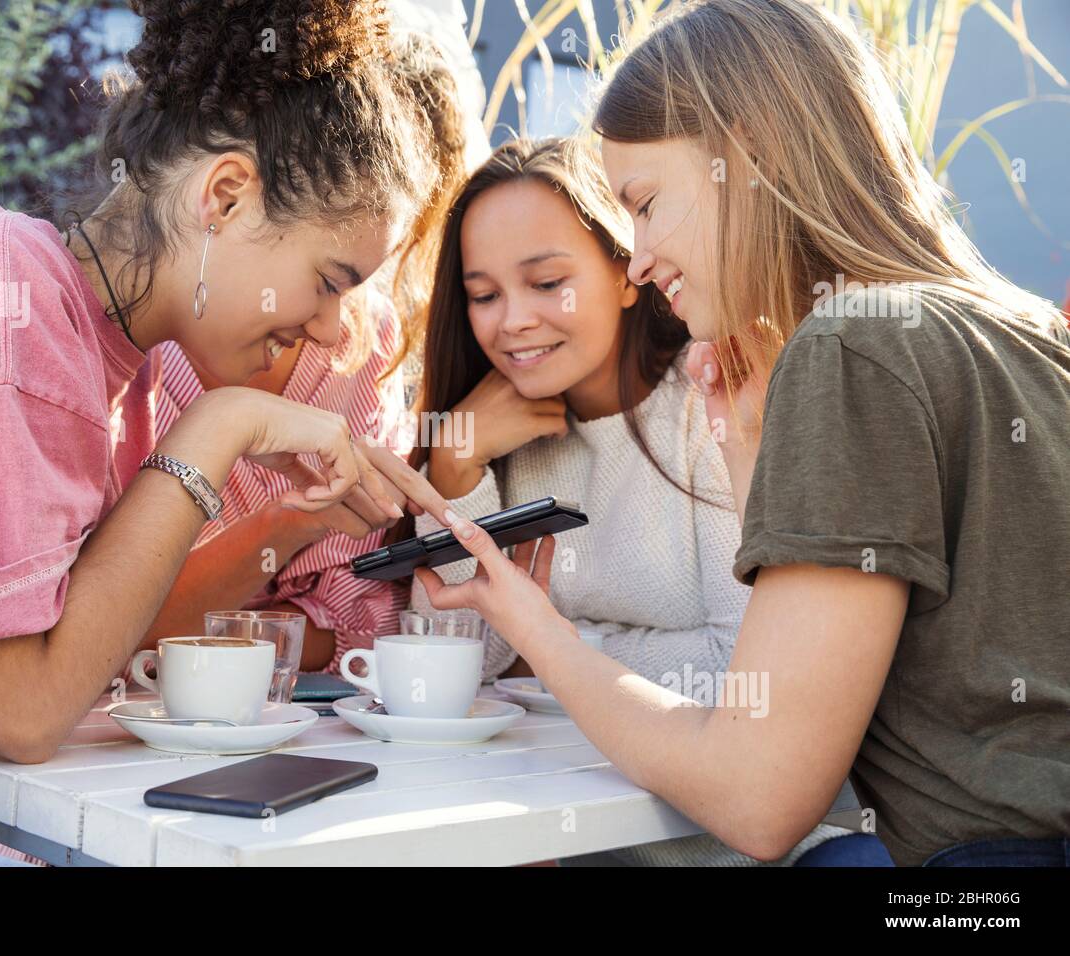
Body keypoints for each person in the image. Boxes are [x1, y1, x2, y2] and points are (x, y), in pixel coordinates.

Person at [0, 0, 453, 841]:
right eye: (331, 279)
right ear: (226, 196)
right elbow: (27, 710)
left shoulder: (100, 359)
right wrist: (221, 425)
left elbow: (29, 675)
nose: (327, 327)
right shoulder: (9, 294)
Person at [416, 0, 1070, 867]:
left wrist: (534, 628)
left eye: (646, 205)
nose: (639, 258)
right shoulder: (1019, 328)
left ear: (749, 157)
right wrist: (754, 457)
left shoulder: (852, 347)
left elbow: (759, 801)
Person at [406, 136, 842, 865]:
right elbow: (453, 669)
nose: (511, 321)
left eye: (547, 283)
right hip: (596, 845)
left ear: (626, 272)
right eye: (483, 295)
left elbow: (745, 670)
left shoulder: (714, 400)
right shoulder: (495, 435)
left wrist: (550, 650)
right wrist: (454, 465)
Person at [140, 31, 472, 674]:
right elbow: (103, 629)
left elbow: (375, 617)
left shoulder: (359, 349)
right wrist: (280, 535)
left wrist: (220, 622)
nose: (330, 327)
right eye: (327, 282)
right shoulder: (134, 370)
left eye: (353, 289)